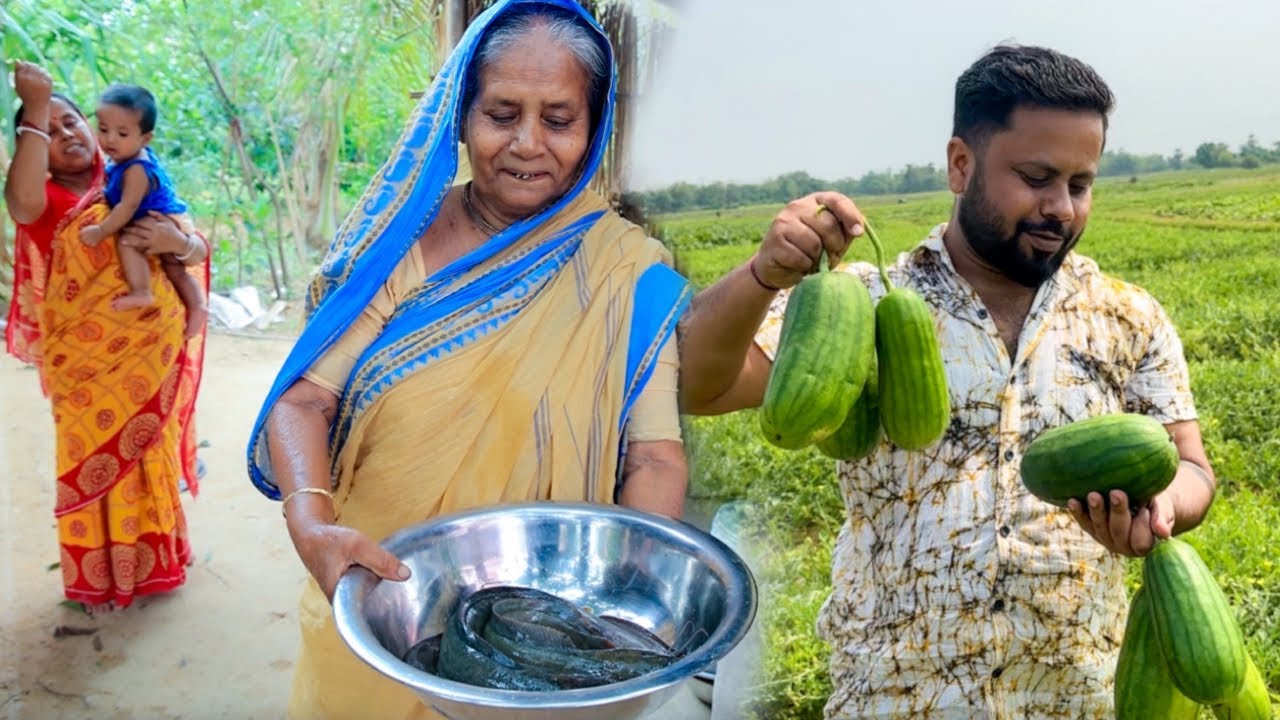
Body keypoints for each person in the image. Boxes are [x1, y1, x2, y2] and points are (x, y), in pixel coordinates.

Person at [677, 45, 1217, 718]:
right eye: (1036, 177)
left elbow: (1192, 466)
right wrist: (764, 275)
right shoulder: (866, 302)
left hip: (1077, 697)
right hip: (898, 699)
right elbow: (695, 388)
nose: (1060, 208)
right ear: (961, 164)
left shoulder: (1128, 316)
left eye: (1079, 185)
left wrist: (1165, 504)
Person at [245, 1, 691, 717]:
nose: (526, 143)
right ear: (462, 116)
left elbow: (655, 458)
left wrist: (622, 616)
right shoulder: (400, 246)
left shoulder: (628, 272)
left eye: (558, 119)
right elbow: (305, 399)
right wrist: (312, 526)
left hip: (540, 641)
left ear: (594, 127)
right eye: (501, 113)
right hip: (382, 601)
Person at [5, 60, 210, 613]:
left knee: (150, 452)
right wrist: (35, 104)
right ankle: (105, 574)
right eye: (46, 131)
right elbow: (19, 203)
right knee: (90, 455)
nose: (65, 134)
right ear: (31, 146)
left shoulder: (132, 177)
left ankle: (159, 562)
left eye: (70, 121)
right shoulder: (45, 202)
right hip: (85, 363)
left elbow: (197, 245)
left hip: (150, 347)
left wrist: (178, 243)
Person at [79, 83, 208, 337]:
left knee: (129, 243)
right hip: (166, 217)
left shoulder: (136, 170)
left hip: (166, 220)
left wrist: (101, 231)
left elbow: (127, 207)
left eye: (122, 134)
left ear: (145, 138)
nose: (110, 139)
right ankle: (198, 306)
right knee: (174, 270)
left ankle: (142, 292)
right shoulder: (121, 161)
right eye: (103, 130)